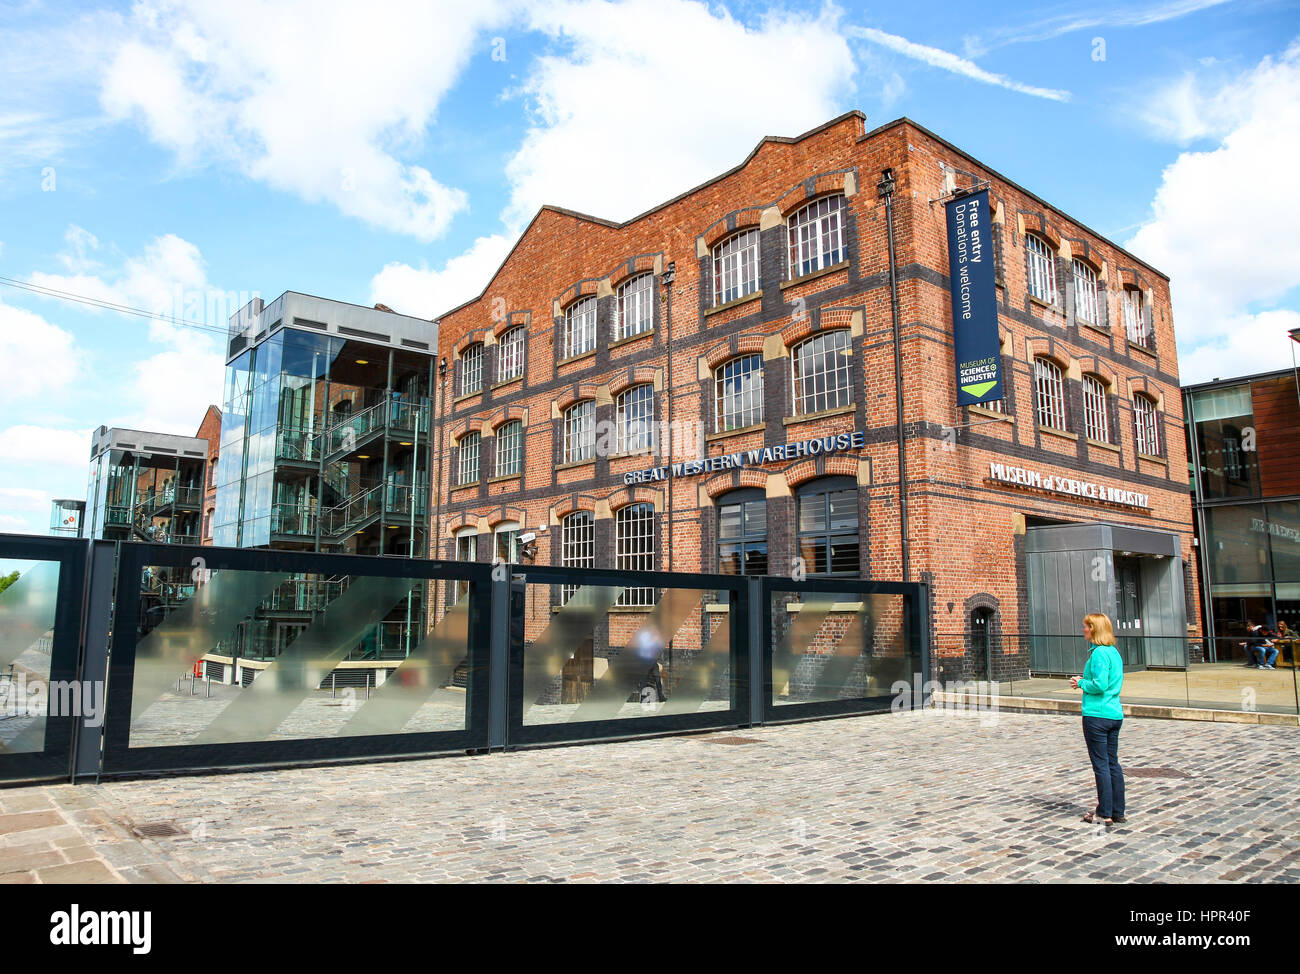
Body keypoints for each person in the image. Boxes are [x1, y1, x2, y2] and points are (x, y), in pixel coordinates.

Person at [1070, 613, 1126, 825]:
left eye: (1086, 626)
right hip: (1114, 713)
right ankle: (1117, 810)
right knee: (1112, 764)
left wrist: (1080, 683)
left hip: (1097, 715)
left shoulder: (1099, 653)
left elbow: (1100, 685)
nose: (1083, 629)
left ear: (1094, 629)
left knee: (1101, 764)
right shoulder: (1114, 652)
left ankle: (1104, 812)